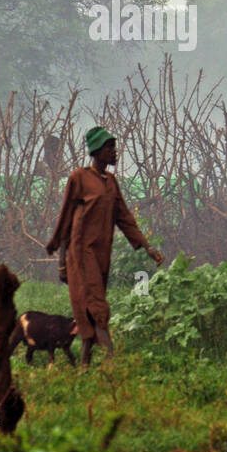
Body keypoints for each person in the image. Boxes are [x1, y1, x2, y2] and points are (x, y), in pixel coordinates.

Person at [45, 126, 163, 364]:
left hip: (101, 256)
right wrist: (61, 260)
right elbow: (66, 217)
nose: (114, 153)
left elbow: (125, 217)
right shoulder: (79, 178)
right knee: (98, 307)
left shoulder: (111, 182)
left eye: (114, 148)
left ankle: (85, 366)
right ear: (96, 152)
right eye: (109, 148)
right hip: (81, 253)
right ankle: (111, 358)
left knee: (89, 309)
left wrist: (146, 246)